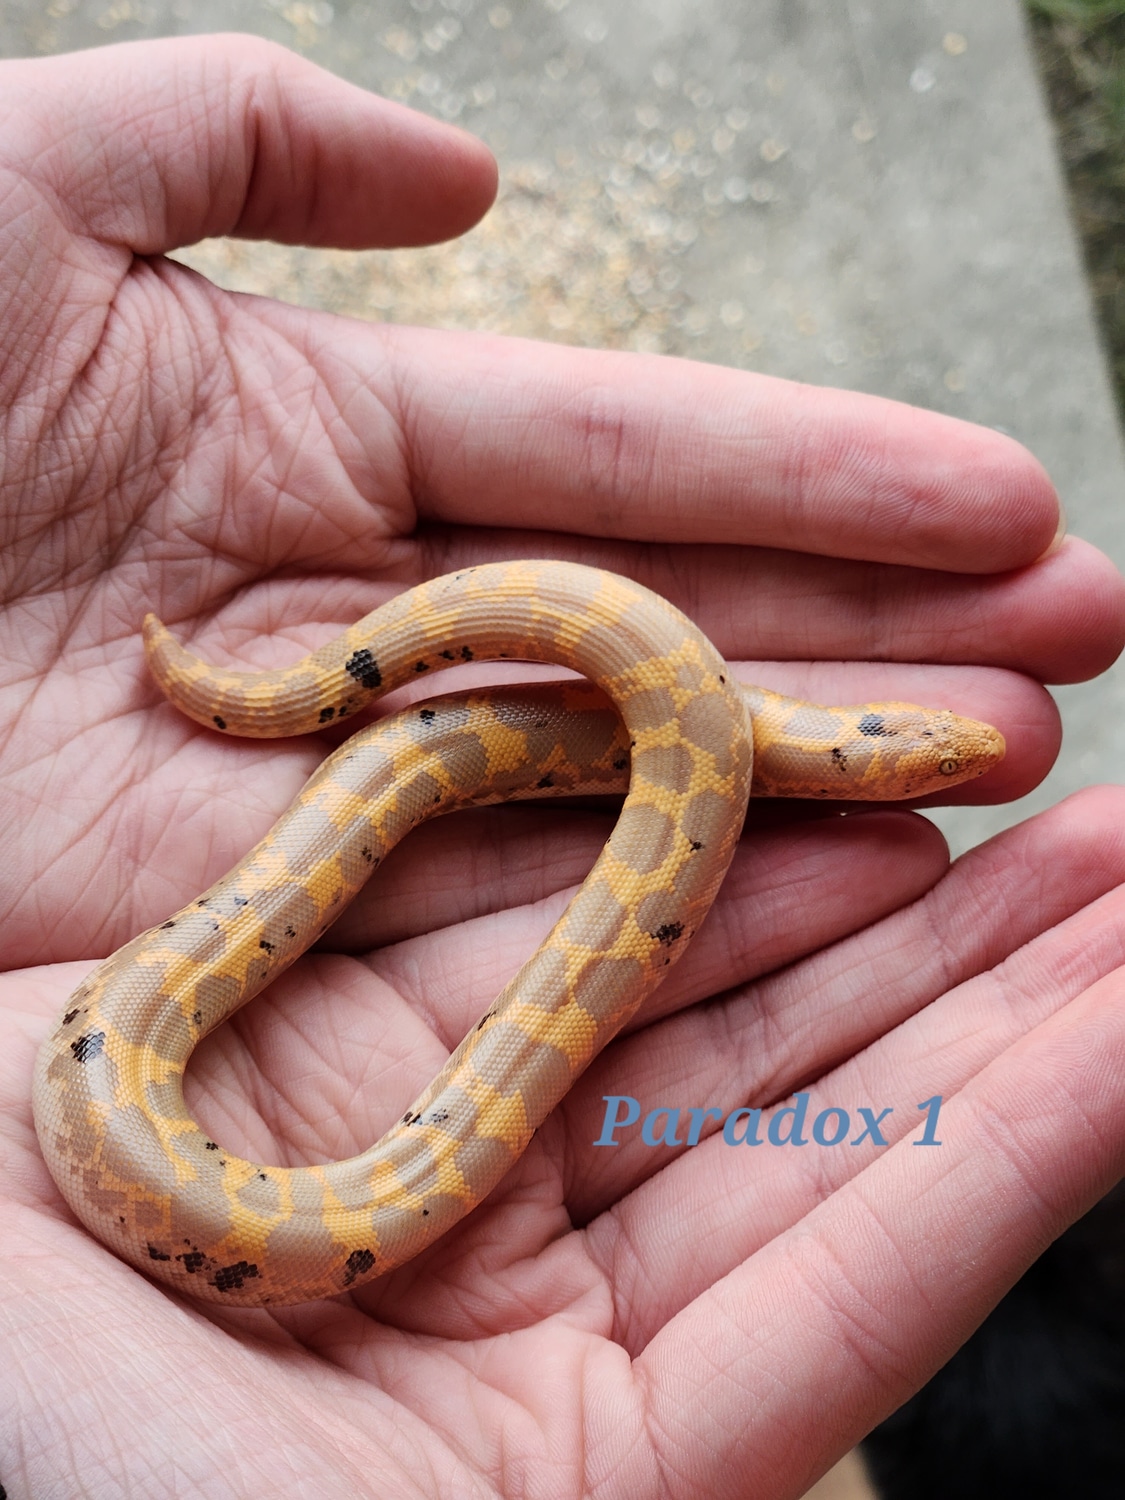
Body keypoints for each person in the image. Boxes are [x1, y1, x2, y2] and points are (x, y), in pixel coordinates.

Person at [0, 33, 1123, 1500]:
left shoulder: (695, 733)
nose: (932, 760)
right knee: (447, 757)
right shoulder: (689, 718)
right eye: (897, 754)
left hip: (266, 1123)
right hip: (152, 1114)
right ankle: (315, 697)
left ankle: (323, 702)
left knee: (445, 758)